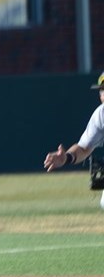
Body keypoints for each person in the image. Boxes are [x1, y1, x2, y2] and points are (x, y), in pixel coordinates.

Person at [42, 71, 104, 208]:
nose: (103, 95)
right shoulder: (101, 115)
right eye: (102, 91)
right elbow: (84, 148)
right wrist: (67, 158)